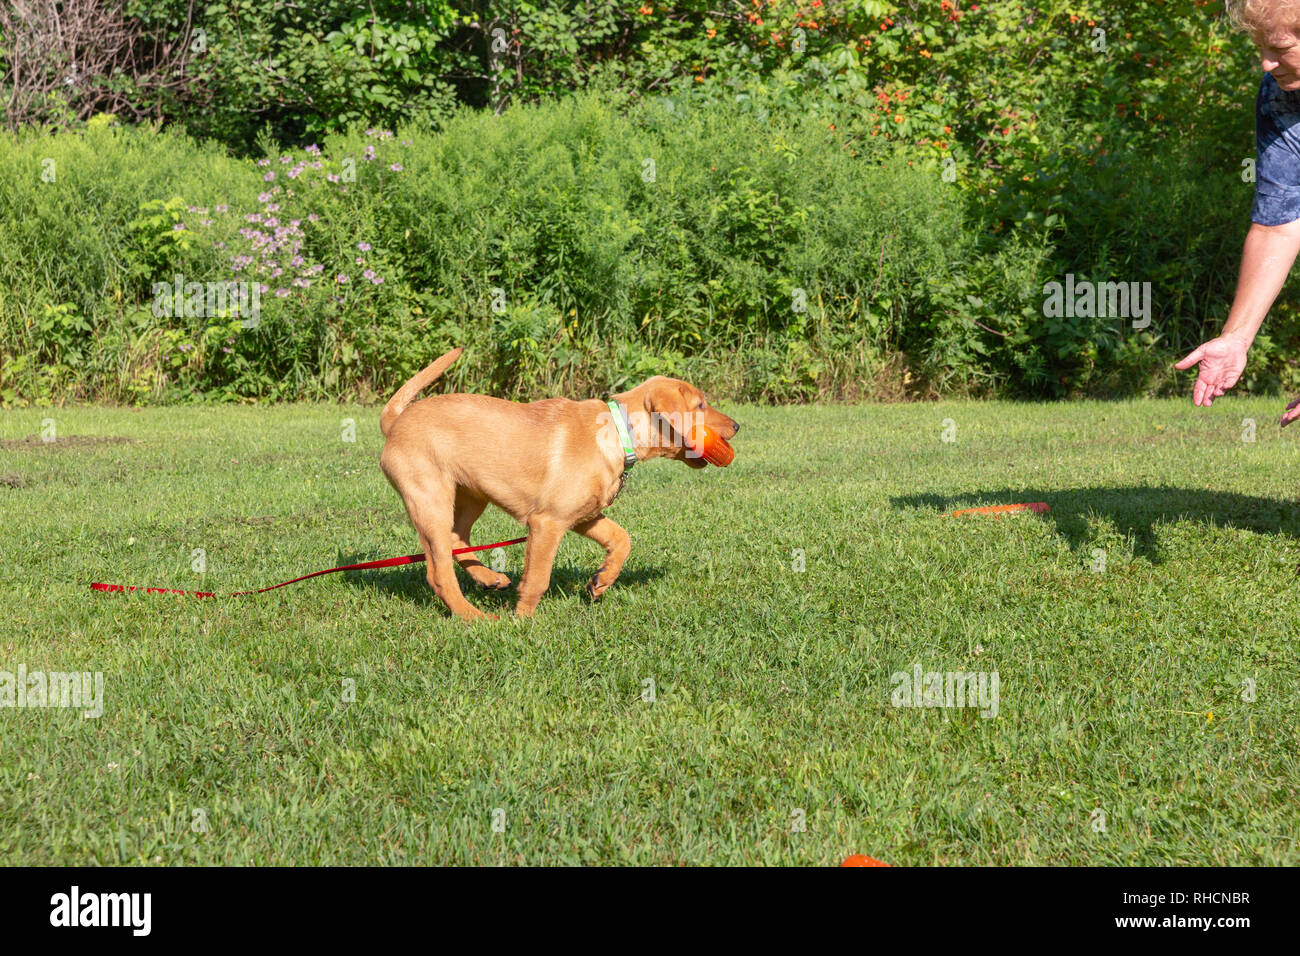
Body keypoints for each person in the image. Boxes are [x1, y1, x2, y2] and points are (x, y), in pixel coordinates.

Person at [1177, 0, 1300, 424]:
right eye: (1260, 48)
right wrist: (1236, 338)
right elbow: (1279, 224)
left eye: (1280, 48)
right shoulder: (1281, 97)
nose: (1266, 65)